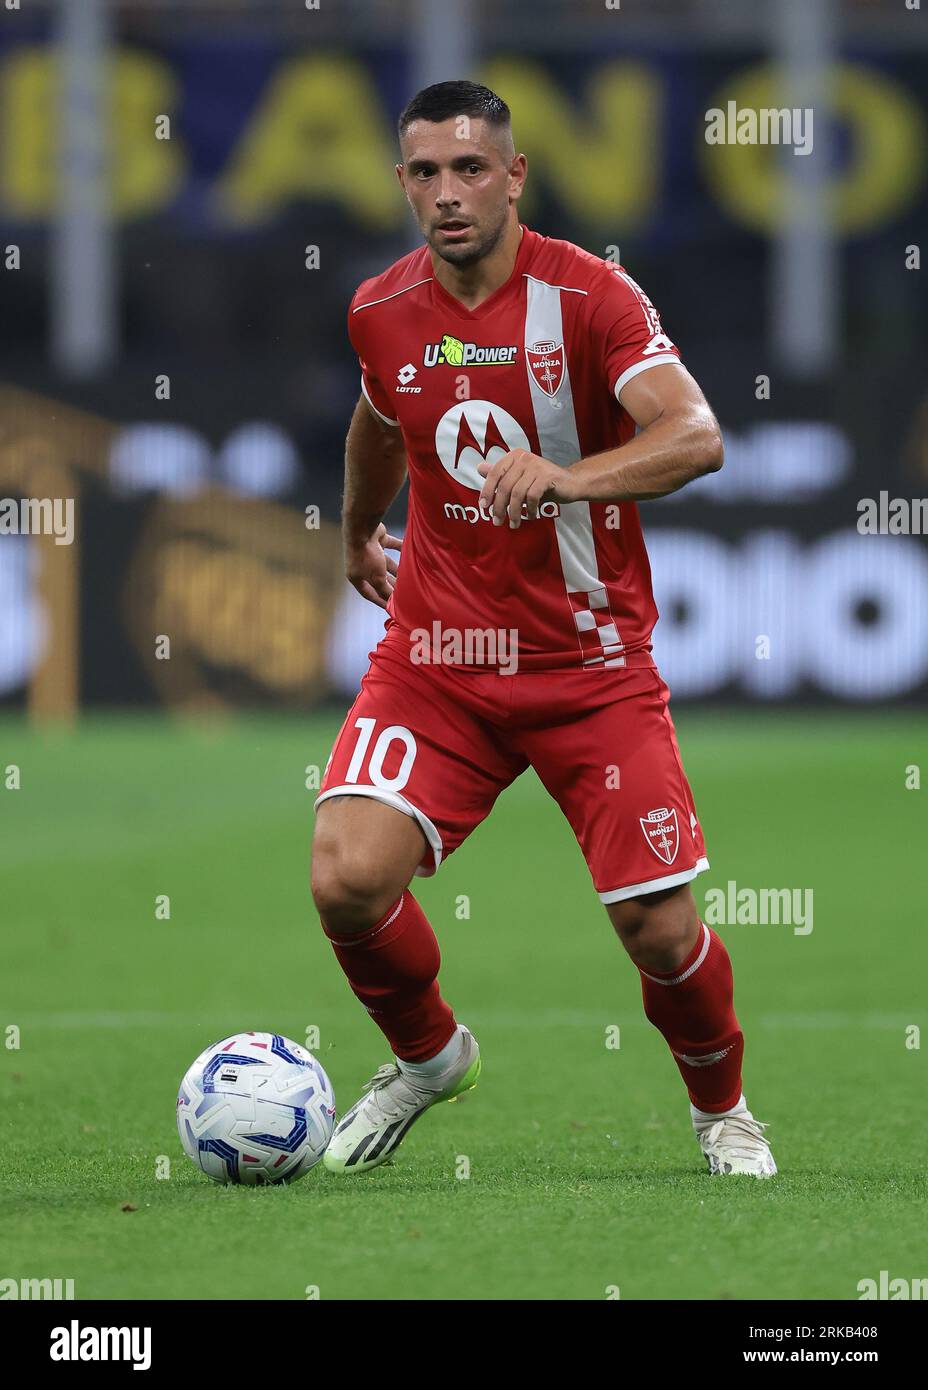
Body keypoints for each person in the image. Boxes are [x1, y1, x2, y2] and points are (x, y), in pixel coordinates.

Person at [311, 81, 776, 1180]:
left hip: (587, 667)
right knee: (345, 875)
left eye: (470, 168)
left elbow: (697, 434)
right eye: (424, 172)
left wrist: (569, 477)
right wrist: (356, 534)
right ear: (403, 184)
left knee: (660, 933)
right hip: (439, 659)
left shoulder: (590, 296)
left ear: (515, 176)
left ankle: (723, 1112)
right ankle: (428, 1057)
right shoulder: (380, 308)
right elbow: (383, 414)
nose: (447, 193)